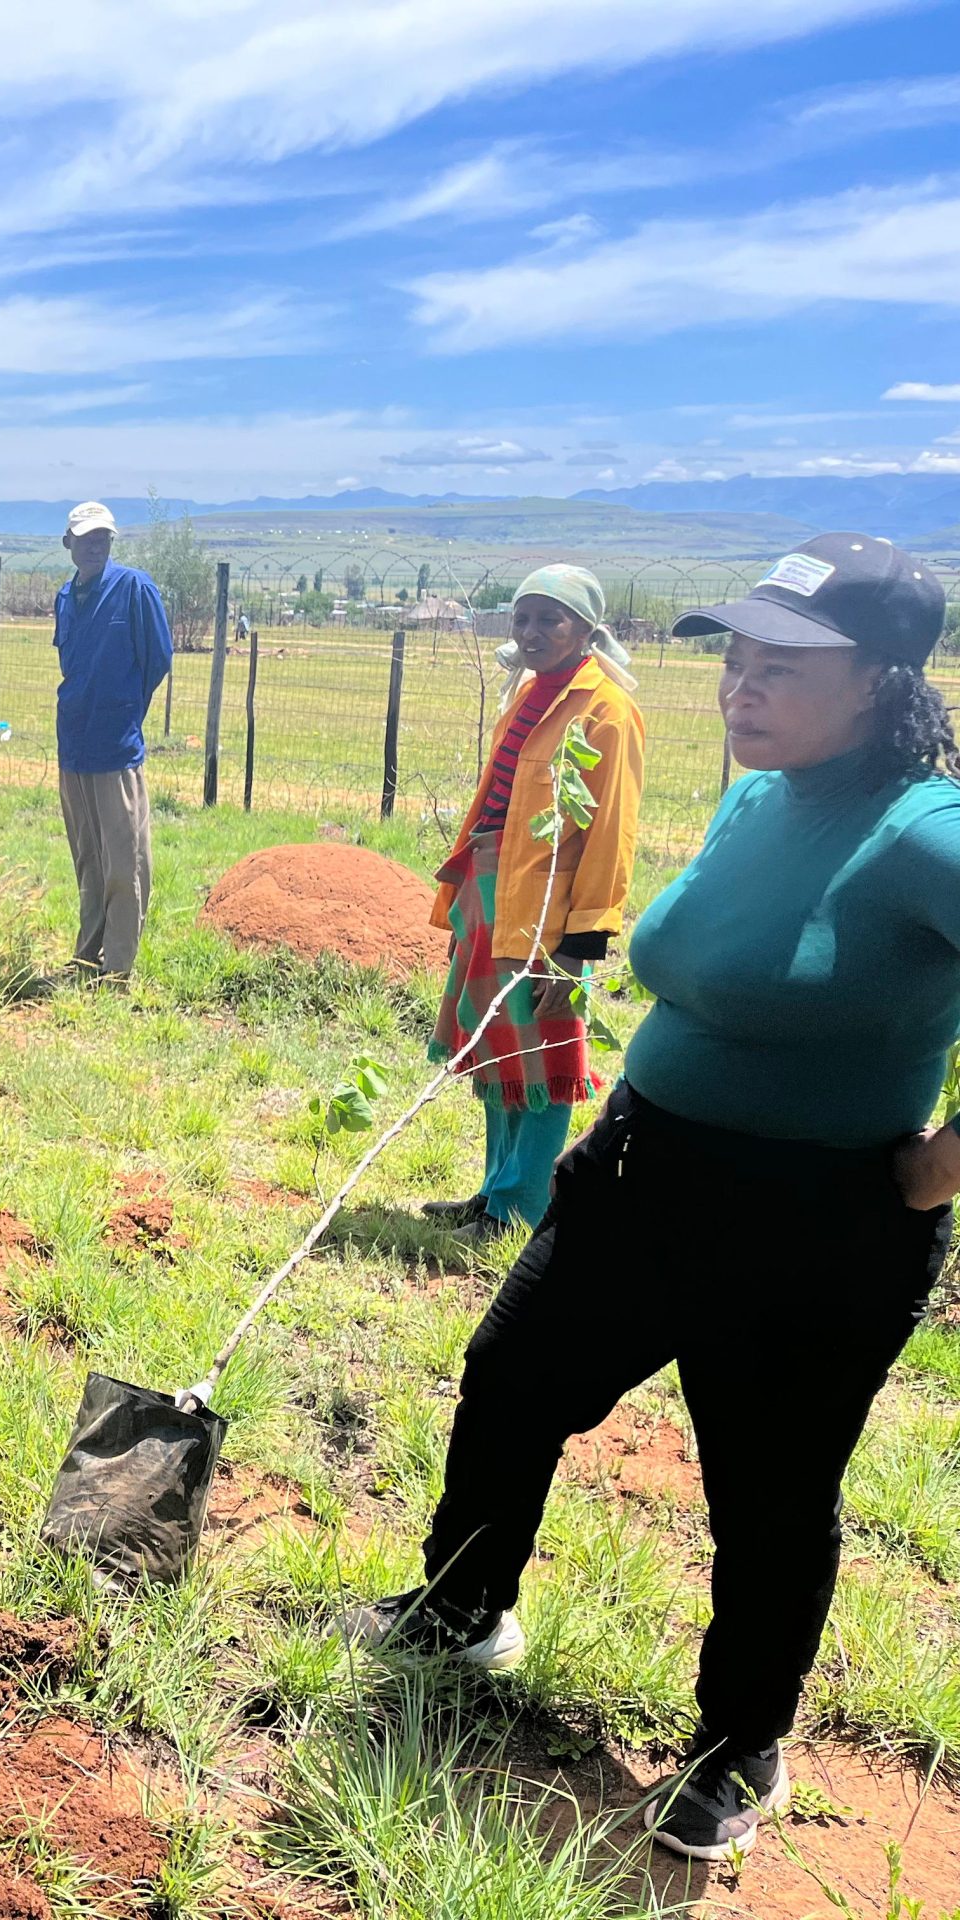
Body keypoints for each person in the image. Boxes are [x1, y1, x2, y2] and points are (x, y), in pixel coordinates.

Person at [344, 534, 960, 1863]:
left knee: (771, 1493)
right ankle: (466, 1607)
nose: (742, 685)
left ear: (881, 679)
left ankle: (742, 1742)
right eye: (735, 657)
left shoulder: (926, 835)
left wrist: (936, 1165)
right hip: (642, 1171)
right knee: (512, 1379)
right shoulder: (760, 799)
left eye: (783, 665)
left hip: (816, 1225)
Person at [418, 565, 644, 1240]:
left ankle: (518, 1208)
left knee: (543, 1058)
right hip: (494, 891)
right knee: (498, 1051)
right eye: (523, 618)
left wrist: (582, 943)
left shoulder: (607, 709)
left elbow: (611, 833)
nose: (534, 632)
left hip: (549, 910)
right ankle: (493, 1193)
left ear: (586, 629)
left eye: (553, 619)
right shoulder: (529, 692)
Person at [51, 501, 174, 985]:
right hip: (73, 745)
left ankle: (117, 967)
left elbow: (157, 660)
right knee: (87, 857)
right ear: (69, 544)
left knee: (125, 860)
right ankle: (86, 955)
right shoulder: (65, 596)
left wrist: (126, 709)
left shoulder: (134, 589)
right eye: (86, 537)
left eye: (103, 536)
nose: (95, 544)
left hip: (116, 746)